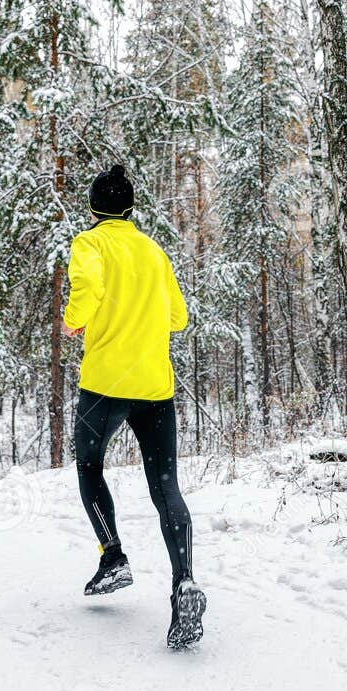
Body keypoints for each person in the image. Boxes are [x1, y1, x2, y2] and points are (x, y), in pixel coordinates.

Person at [63, 163, 206, 649]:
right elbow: (178, 317)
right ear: (130, 209)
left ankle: (113, 557)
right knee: (167, 488)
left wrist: (73, 320)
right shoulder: (154, 251)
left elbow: (87, 289)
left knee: (88, 466)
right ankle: (183, 580)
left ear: (93, 209)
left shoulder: (90, 243)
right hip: (155, 385)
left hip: (105, 382)